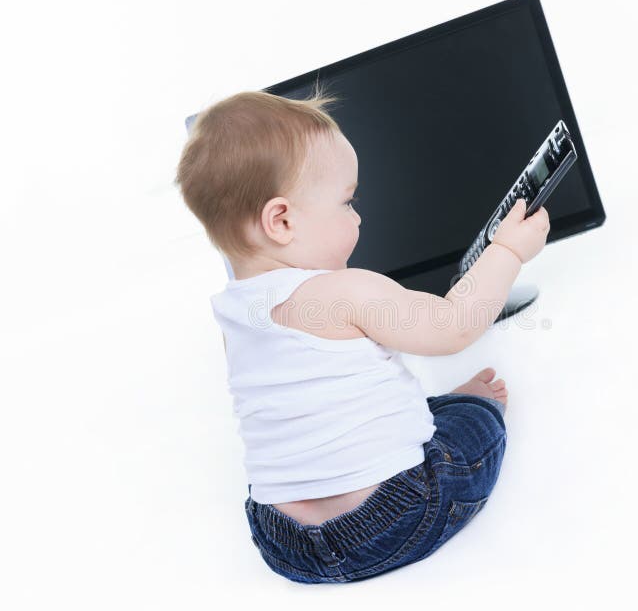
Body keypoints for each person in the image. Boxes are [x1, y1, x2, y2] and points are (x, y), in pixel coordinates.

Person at [174, 85, 550, 583]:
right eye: (347, 202)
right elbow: (453, 325)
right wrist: (507, 250)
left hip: (280, 537)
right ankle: (470, 408)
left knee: (377, 411)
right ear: (281, 220)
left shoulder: (233, 315)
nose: (358, 216)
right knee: (469, 424)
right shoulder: (345, 290)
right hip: (393, 516)